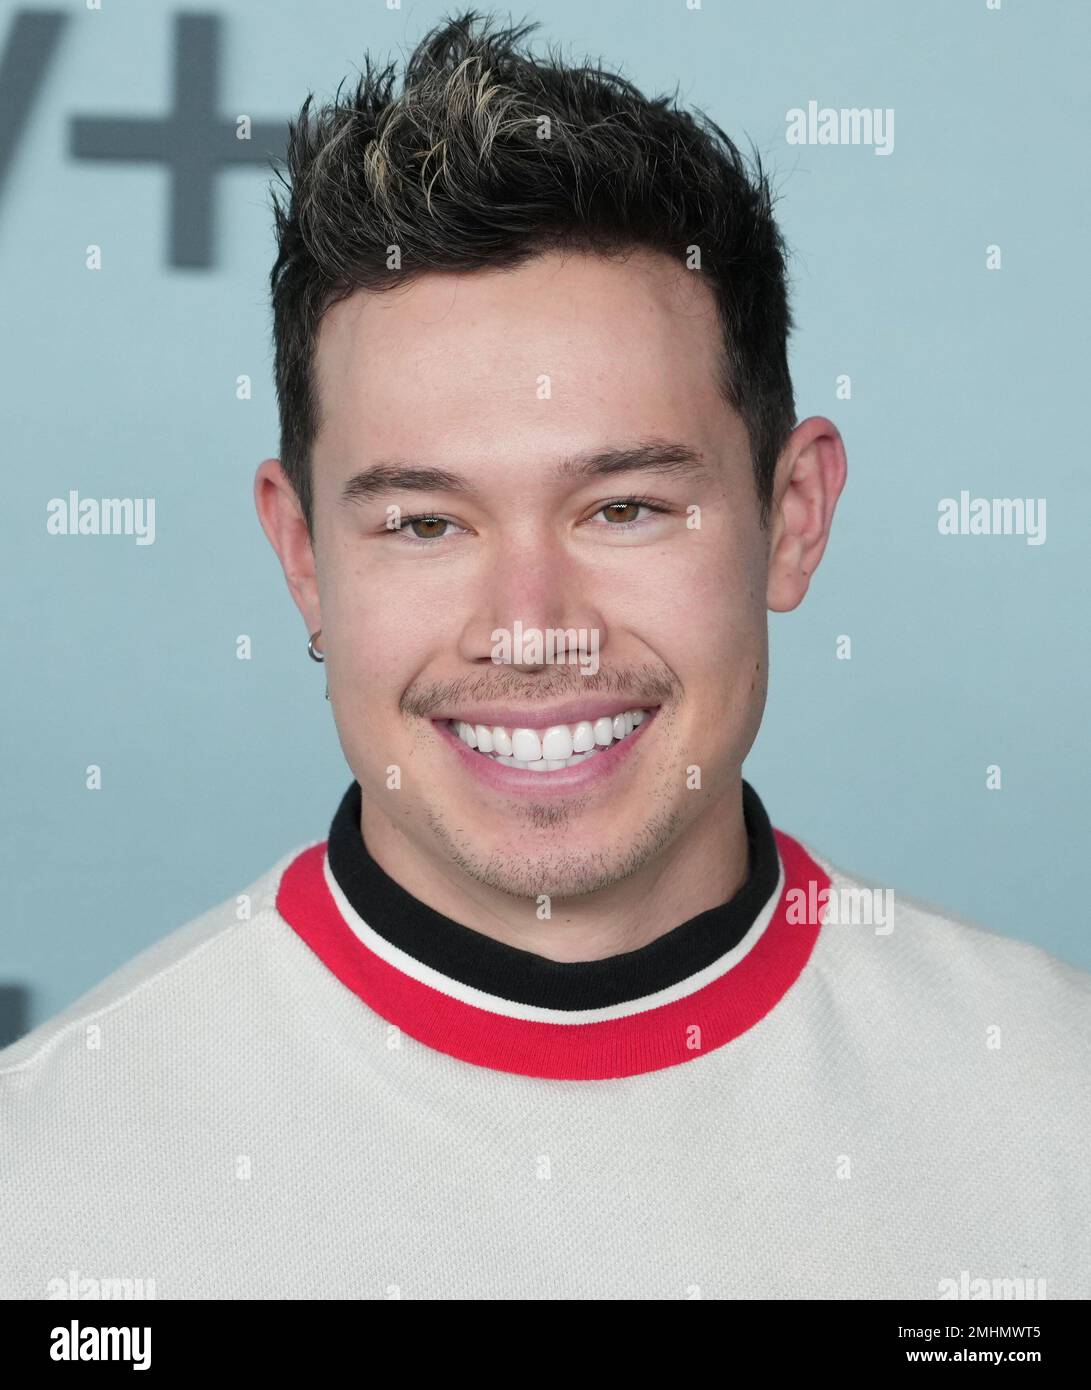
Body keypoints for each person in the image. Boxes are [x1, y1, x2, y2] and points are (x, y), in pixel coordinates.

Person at [2, 10, 1087, 1301]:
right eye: (423, 521)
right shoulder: (43, 1184)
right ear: (302, 559)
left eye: (624, 507)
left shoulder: (1056, 1106)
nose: (531, 622)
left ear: (793, 516)